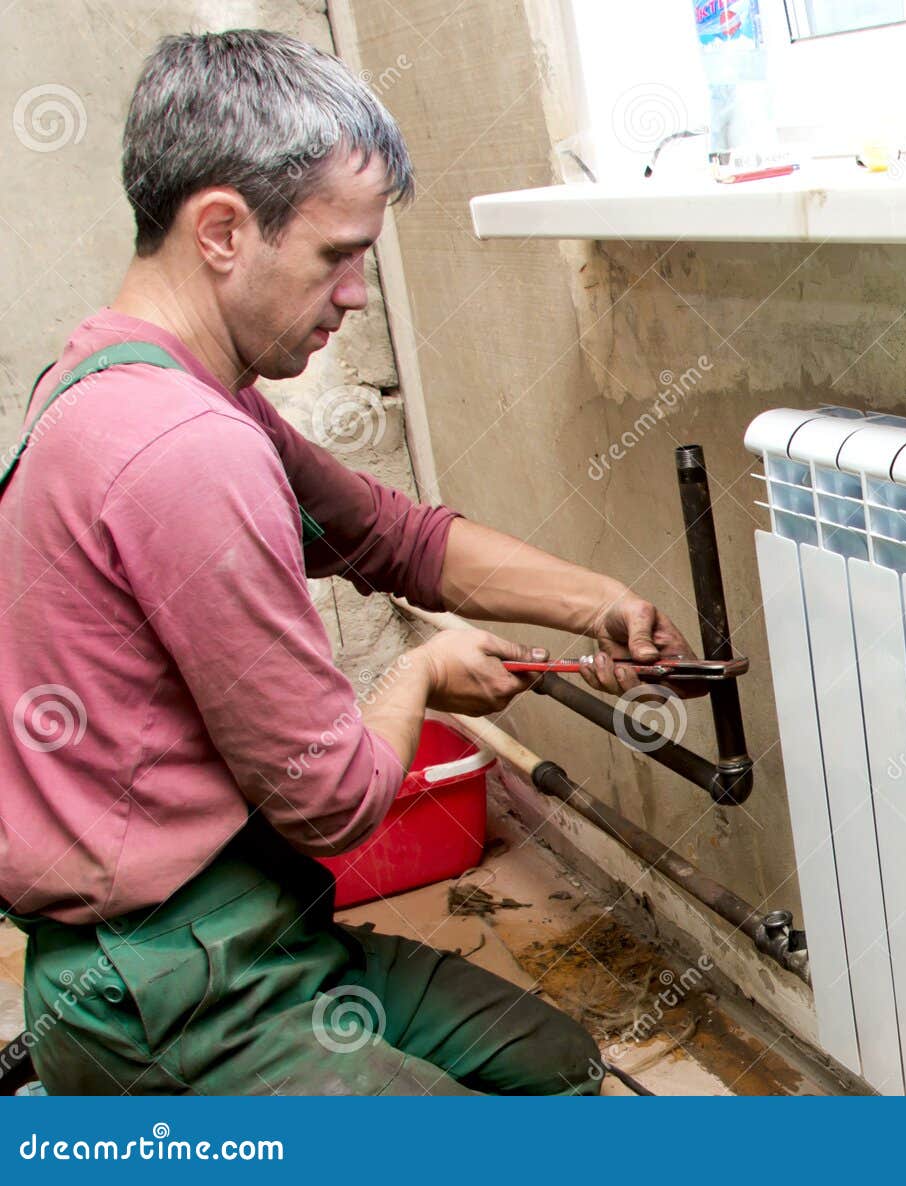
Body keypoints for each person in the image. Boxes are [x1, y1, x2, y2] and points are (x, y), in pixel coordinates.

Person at [0, 29, 694, 1095]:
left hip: (259, 930)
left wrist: (596, 603)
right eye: (336, 254)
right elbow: (326, 798)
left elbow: (390, 537)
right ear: (223, 229)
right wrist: (419, 673)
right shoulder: (183, 449)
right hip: (166, 991)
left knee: (552, 1064)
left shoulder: (145, 378)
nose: (358, 292)